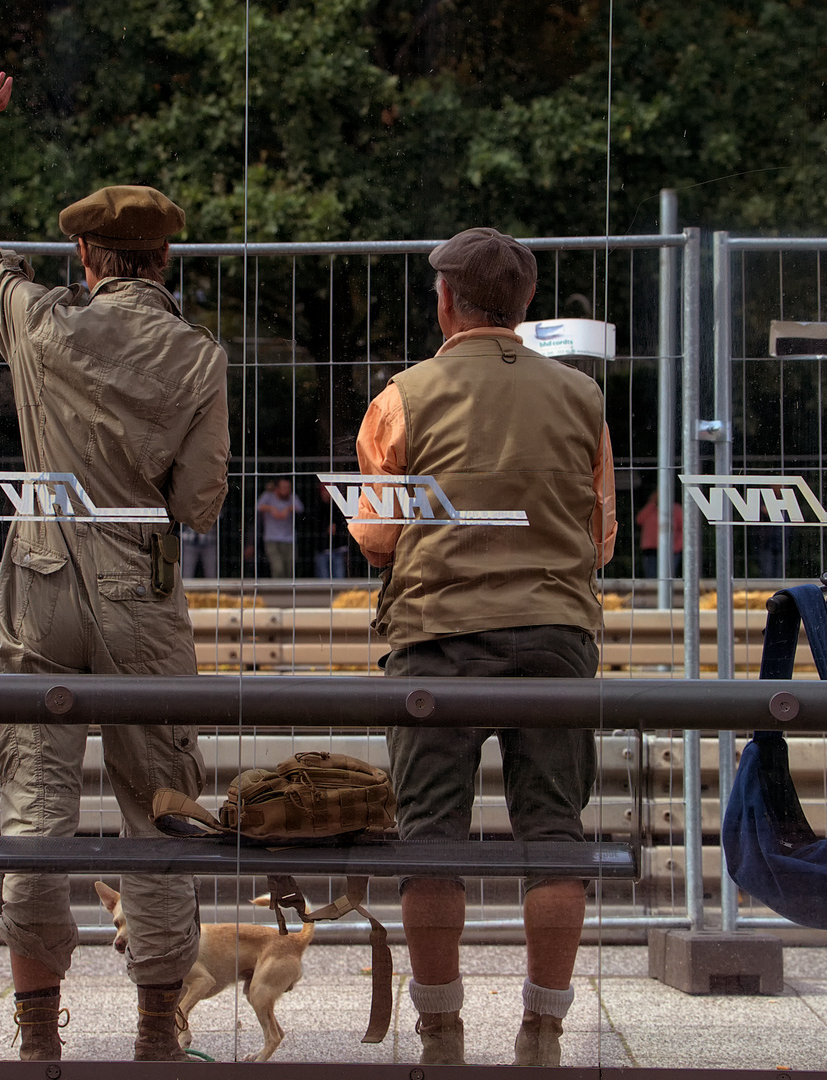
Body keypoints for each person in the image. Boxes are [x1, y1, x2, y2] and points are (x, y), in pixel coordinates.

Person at [0, 69, 229, 1062]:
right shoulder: (197, 356)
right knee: (160, 809)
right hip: (140, 586)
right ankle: (156, 1032)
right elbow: (199, 501)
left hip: (40, 579)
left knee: (34, 810)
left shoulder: (39, 323)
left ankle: (37, 1035)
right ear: (164, 257)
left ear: (83, 257)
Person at [349, 227, 617, 1067]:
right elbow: (600, 538)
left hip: (436, 637)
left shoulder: (403, 396)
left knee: (430, 839)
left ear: (444, 303)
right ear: (524, 305)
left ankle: (440, 1034)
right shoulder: (580, 397)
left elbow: (376, 538)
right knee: (554, 836)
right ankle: (543, 1030)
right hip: (554, 635)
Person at [255, 477, 302, 577]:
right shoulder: (268, 496)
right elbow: (258, 506)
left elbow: (300, 508)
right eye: (284, 487)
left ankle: (288, 587)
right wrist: (271, 509)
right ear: (276, 489)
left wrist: (288, 509)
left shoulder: (292, 497)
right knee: (278, 567)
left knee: (290, 568)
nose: (287, 490)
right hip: (272, 538)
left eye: (288, 487)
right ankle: (278, 586)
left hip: (289, 539)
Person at [634, 493, 682, 579]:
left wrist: (677, 546)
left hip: (670, 550)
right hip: (651, 550)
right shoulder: (651, 509)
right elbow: (639, 519)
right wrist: (652, 503)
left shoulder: (675, 509)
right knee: (651, 577)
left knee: (667, 577)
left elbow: (684, 529)